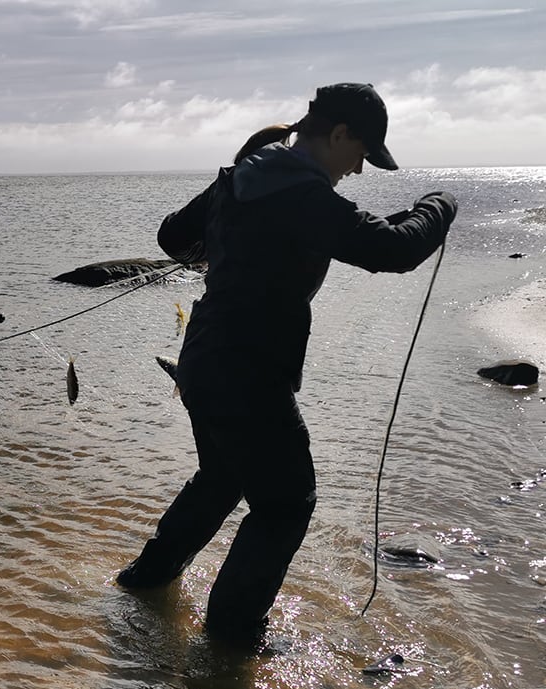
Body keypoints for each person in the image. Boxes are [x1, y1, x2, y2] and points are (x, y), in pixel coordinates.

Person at [115, 83, 458, 644]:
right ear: (340, 134)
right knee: (285, 505)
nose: (359, 169)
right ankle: (230, 638)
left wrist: (228, 255)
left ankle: (146, 579)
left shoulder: (248, 174)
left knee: (222, 477)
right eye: (362, 155)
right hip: (250, 370)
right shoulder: (301, 193)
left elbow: (173, 237)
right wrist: (440, 206)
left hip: (205, 357)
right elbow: (393, 251)